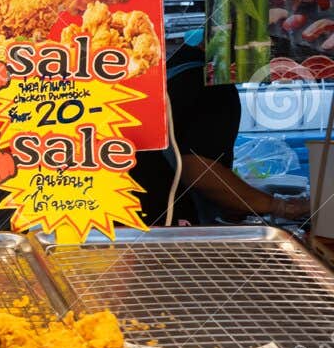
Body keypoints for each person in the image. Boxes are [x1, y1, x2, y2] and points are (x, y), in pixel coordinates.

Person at [133, 37, 311, 226]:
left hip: (141, 213)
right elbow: (200, 170)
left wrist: (240, 199)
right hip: (173, 222)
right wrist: (280, 206)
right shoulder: (212, 85)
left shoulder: (175, 66)